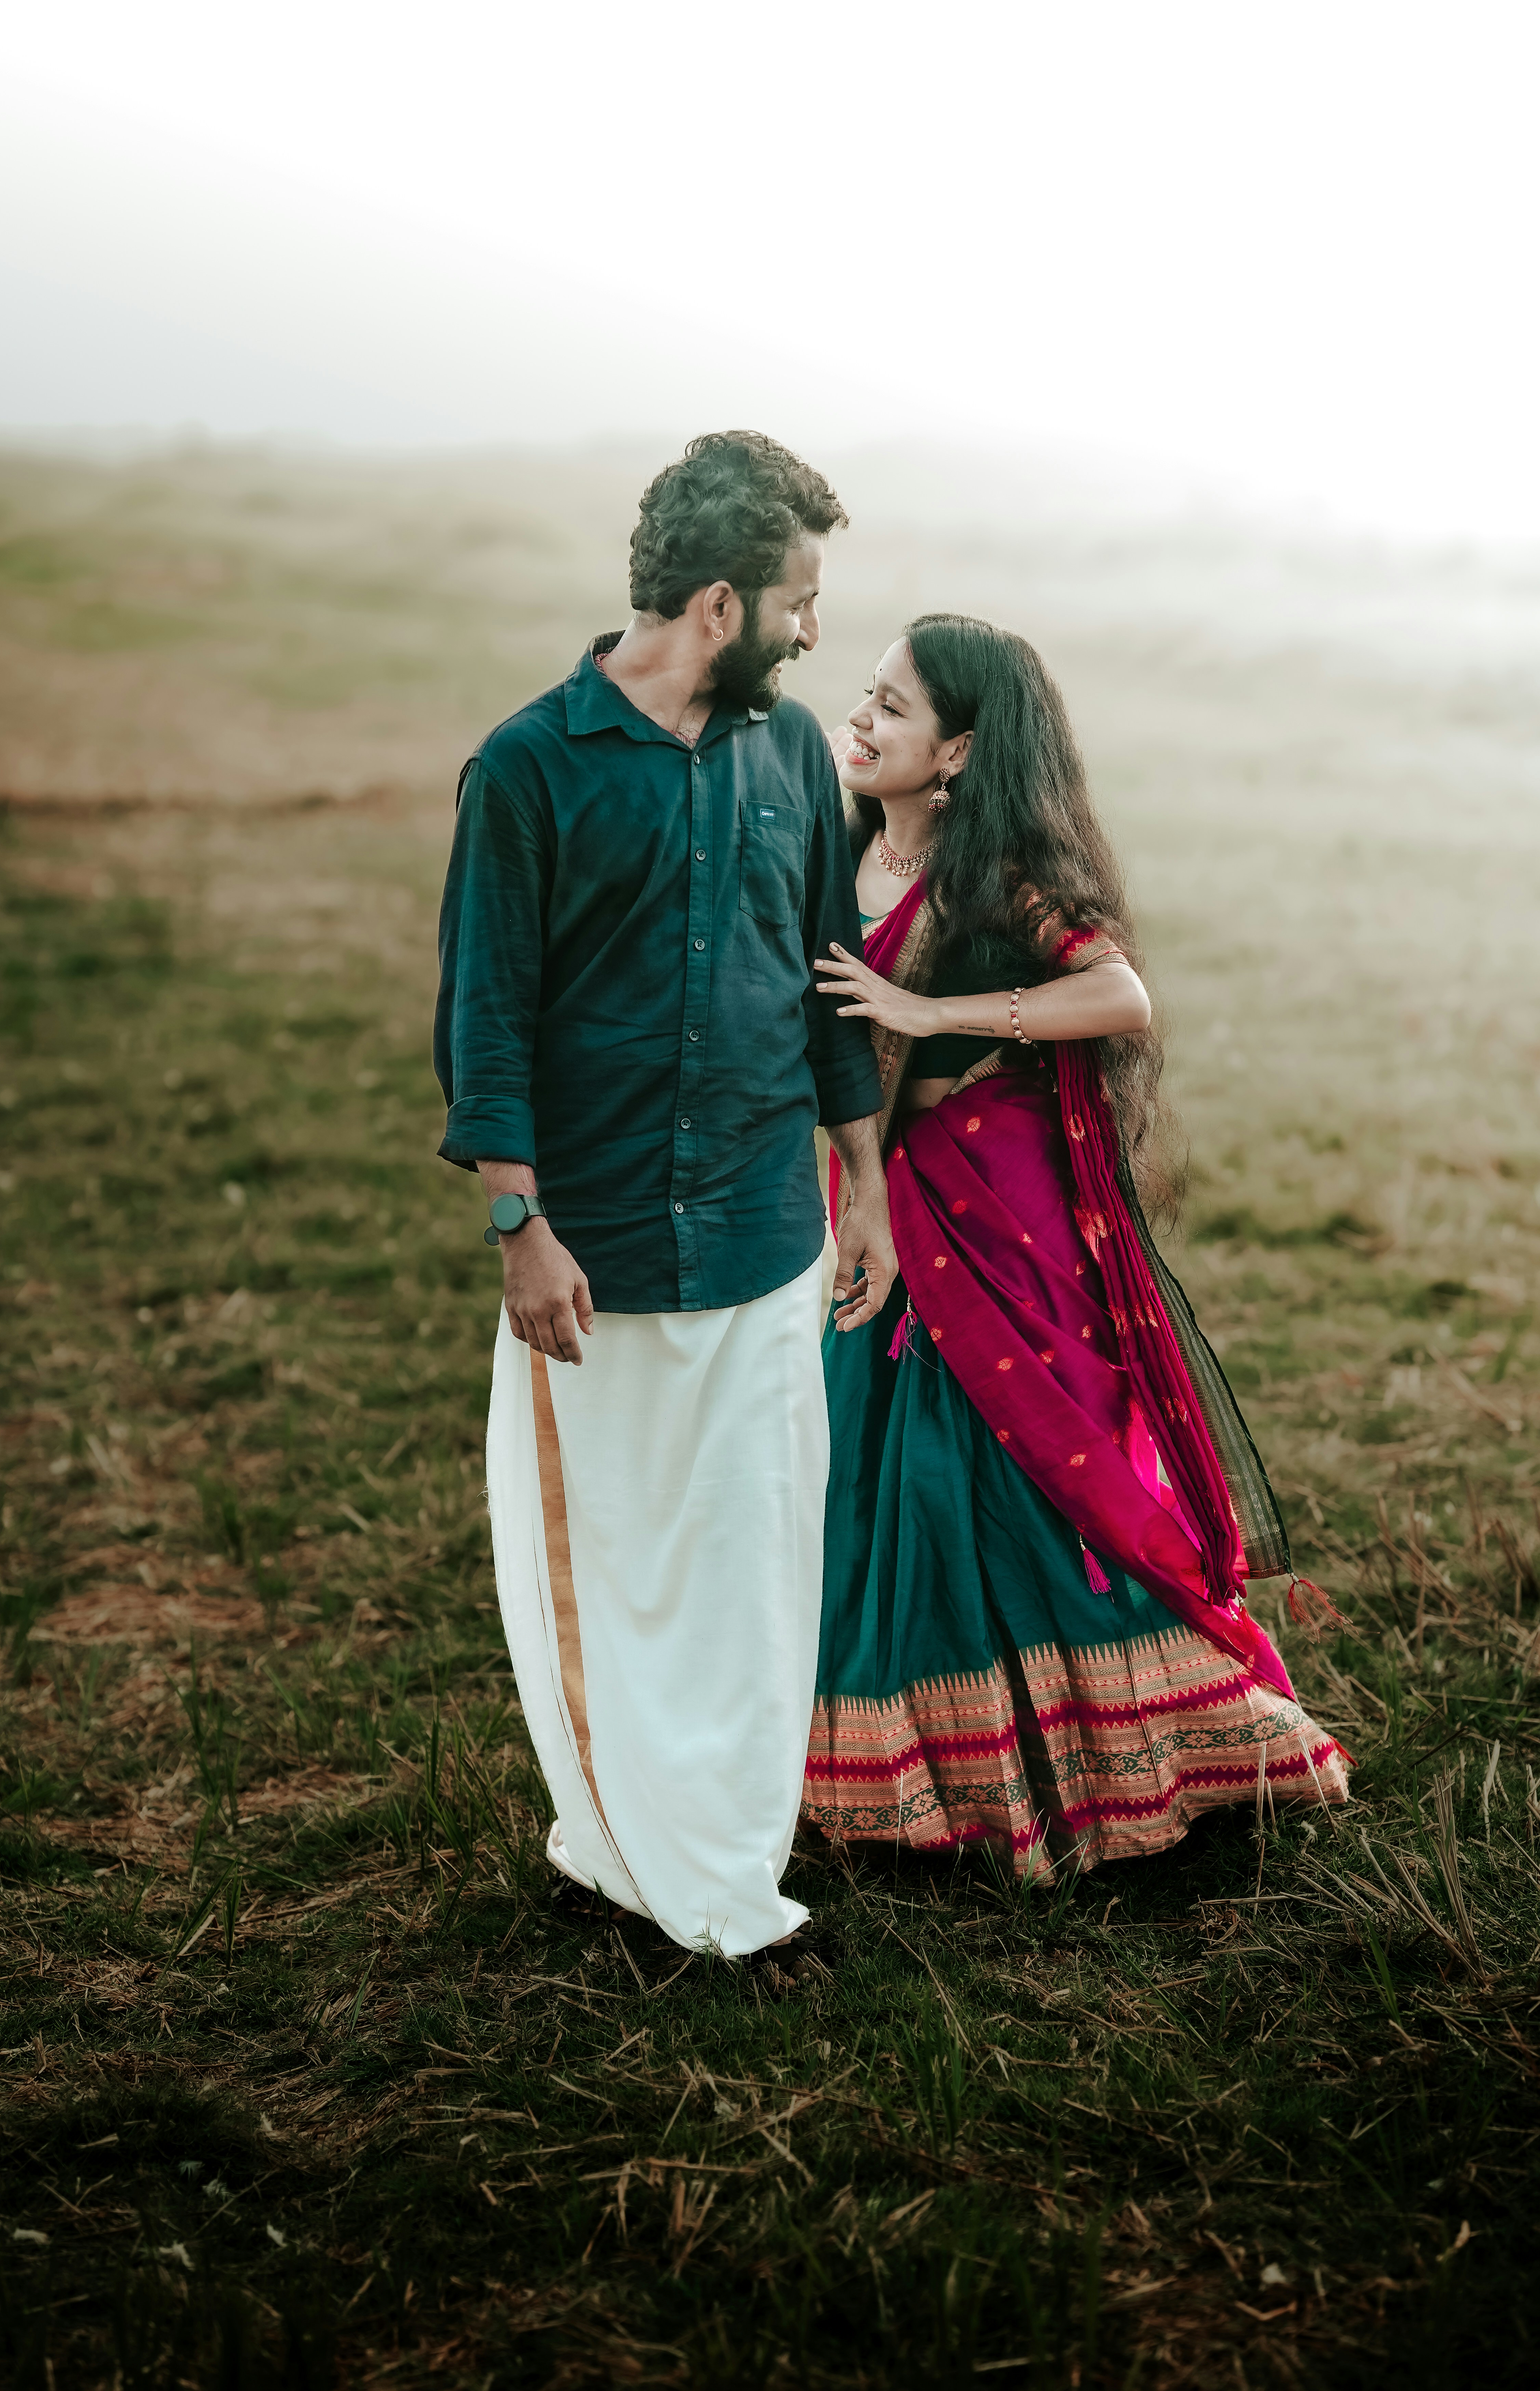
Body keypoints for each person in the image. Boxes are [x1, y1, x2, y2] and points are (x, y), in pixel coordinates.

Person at [434, 432, 896, 1954]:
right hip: (597, 1256)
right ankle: (631, 1853)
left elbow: (828, 995)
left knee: (757, 1569)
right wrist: (522, 1225)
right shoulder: (526, 770)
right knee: (616, 1572)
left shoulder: (789, 756)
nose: (815, 631)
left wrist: (868, 1192)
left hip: (773, 1233)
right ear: (718, 603)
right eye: (799, 600)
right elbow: (485, 1017)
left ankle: (728, 1876)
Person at [802, 614, 1348, 1869]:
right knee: (871, 1481)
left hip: (988, 1210)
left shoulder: (991, 881)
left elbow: (1119, 993)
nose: (865, 720)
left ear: (958, 755)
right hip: (870, 1196)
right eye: (866, 694)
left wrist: (927, 1008)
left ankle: (1118, 1752)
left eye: (895, 707)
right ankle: (902, 1764)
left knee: (989, 1474)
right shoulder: (830, 855)